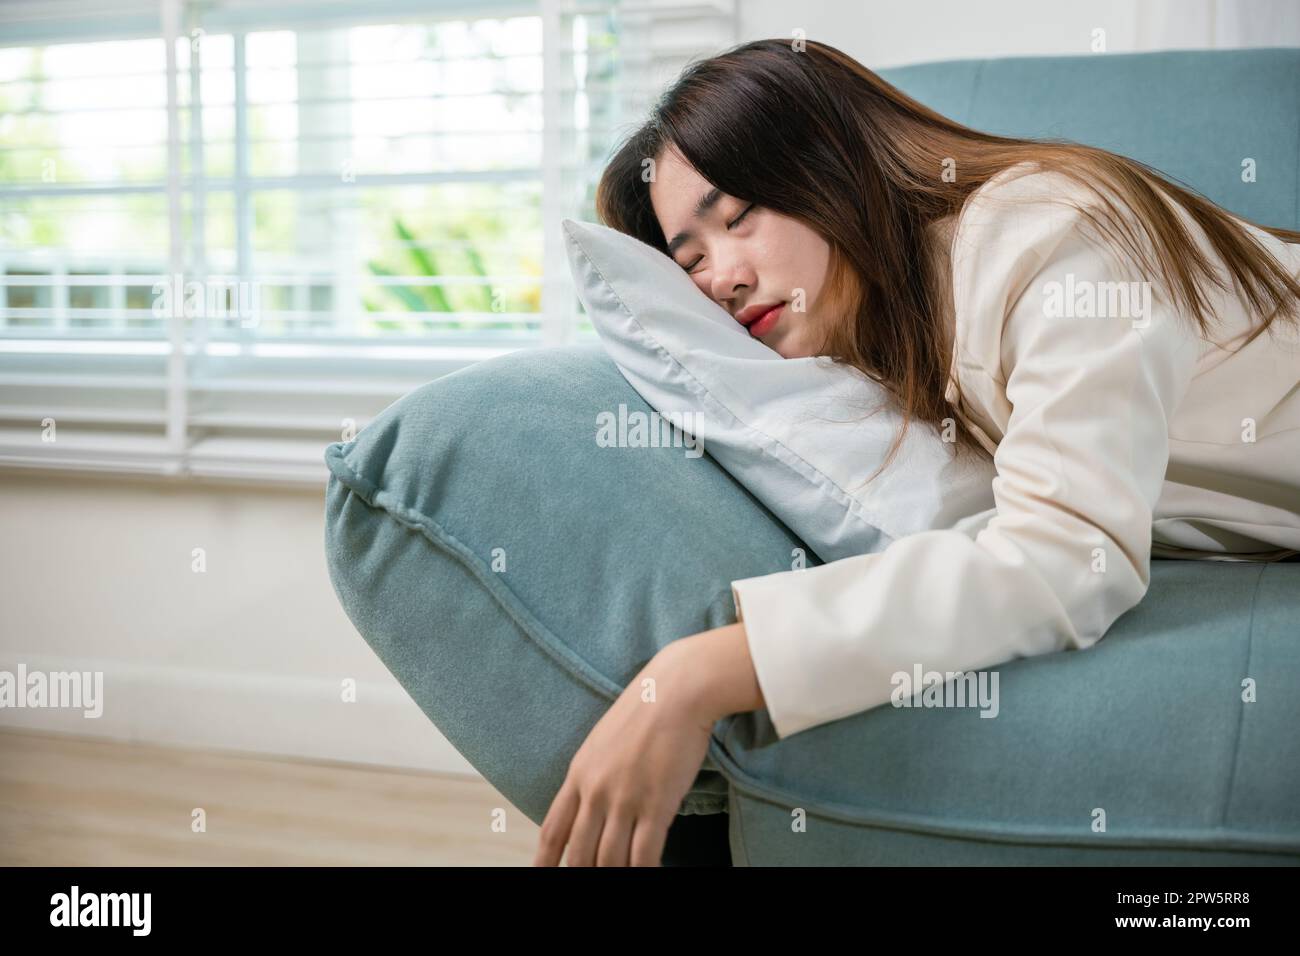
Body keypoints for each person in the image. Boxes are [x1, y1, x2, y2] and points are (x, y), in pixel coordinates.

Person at [531, 38, 1300, 868]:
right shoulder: (899, 338)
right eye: (692, 260)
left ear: (830, 164)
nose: (721, 278)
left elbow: (1067, 555)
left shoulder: (1047, 236)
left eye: (737, 217)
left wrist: (700, 673)